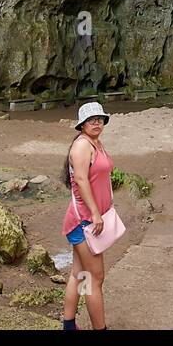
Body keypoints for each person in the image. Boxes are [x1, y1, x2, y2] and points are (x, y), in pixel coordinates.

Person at [61, 101, 114, 331]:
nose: (96, 122)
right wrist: (95, 213)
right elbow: (81, 180)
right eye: (91, 120)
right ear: (82, 124)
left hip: (89, 219)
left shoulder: (96, 143)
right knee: (95, 278)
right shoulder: (82, 146)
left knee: (79, 273)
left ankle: (69, 325)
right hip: (83, 221)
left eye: (100, 119)